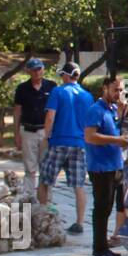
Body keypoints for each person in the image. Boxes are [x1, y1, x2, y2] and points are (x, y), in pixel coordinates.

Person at [39, 63, 94, 234]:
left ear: (65, 75)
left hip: (59, 141)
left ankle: (42, 216)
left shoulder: (58, 92)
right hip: (80, 143)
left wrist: (46, 137)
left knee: (45, 180)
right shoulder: (87, 96)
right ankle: (79, 222)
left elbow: (50, 116)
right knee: (78, 185)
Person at [83, 75, 128, 256]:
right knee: (101, 209)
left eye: (120, 90)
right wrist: (116, 140)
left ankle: (104, 246)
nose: (118, 93)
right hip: (100, 167)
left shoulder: (113, 110)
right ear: (104, 89)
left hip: (114, 165)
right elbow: (90, 136)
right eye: (114, 90)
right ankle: (99, 248)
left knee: (110, 207)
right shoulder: (96, 110)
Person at [12, 58, 55, 196]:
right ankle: (28, 196)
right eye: (34, 70)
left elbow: (55, 110)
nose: (37, 72)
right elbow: (18, 110)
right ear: (28, 71)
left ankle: (46, 199)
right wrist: (16, 133)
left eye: (39, 69)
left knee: (46, 167)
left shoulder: (51, 86)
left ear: (43, 69)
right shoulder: (22, 88)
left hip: (45, 131)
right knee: (30, 167)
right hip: (28, 130)